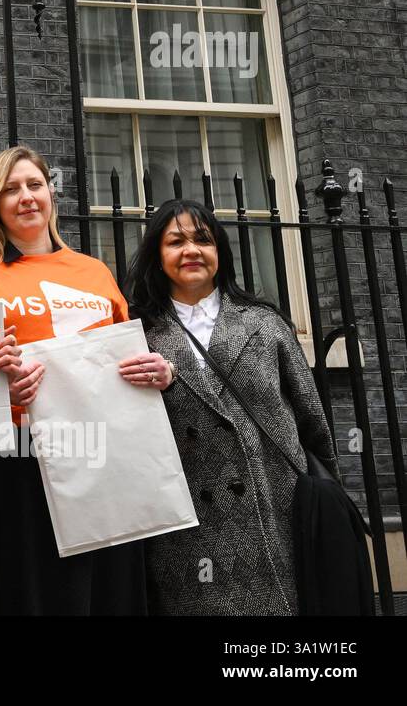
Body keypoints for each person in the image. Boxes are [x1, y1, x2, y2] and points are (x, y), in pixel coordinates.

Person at [0, 145, 170, 615]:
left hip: (100, 451)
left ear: (51, 194)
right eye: (10, 189)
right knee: (30, 588)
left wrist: (156, 371)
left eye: (34, 185)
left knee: (103, 589)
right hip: (13, 454)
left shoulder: (92, 271)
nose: (25, 197)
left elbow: (125, 355)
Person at [125, 199, 337, 615]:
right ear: (158, 255)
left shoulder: (265, 323)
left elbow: (313, 422)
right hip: (187, 529)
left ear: (219, 251)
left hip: (277, 514)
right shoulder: (135, 333)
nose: (191, 251)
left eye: (202, 240)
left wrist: (326, 500)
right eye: (175, 242)